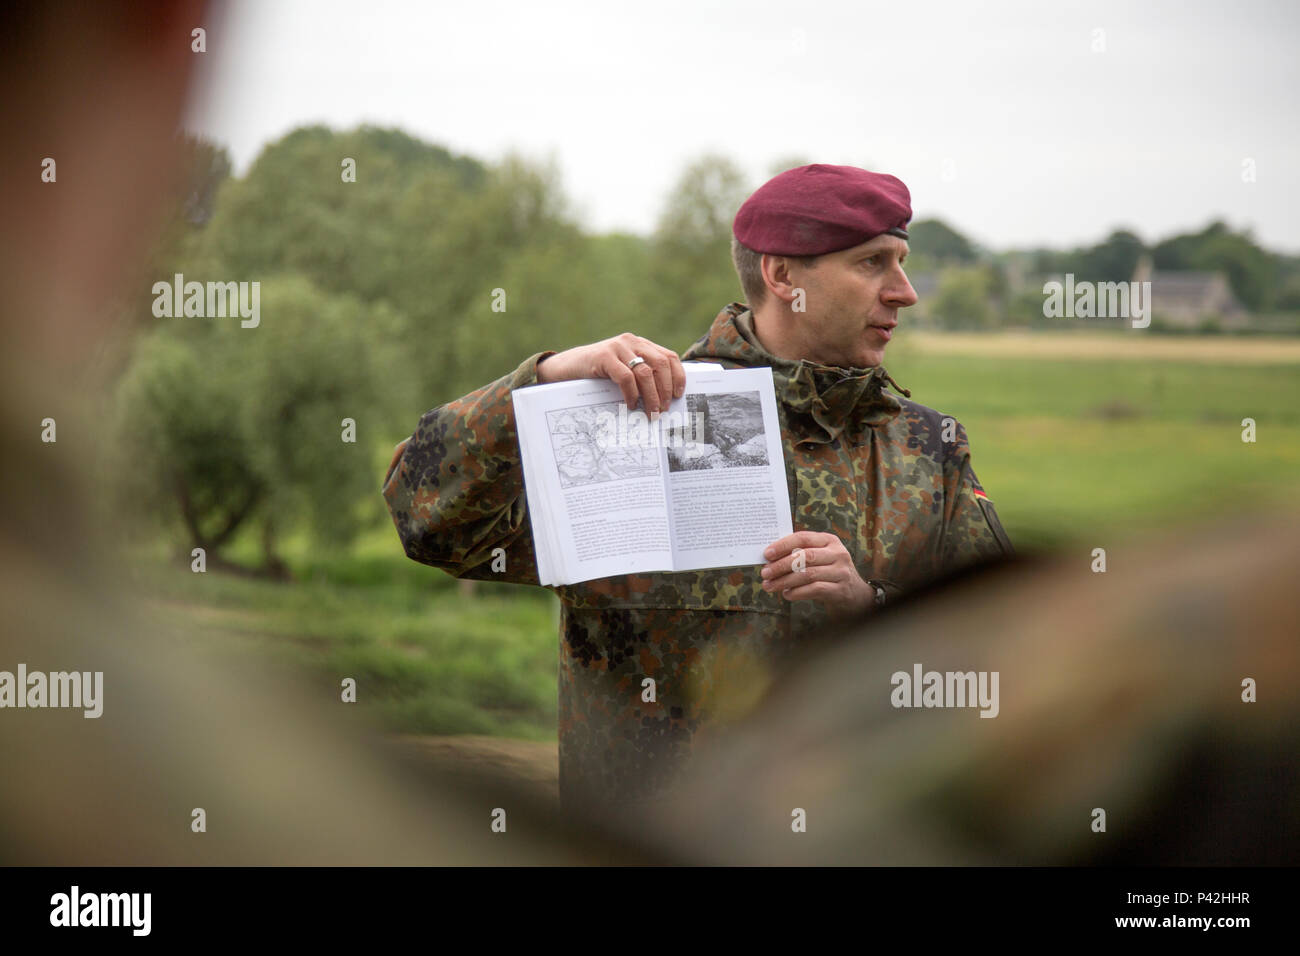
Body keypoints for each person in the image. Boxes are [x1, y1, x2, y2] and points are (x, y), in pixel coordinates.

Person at [382, 164, 1013, 813]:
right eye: (873, 263)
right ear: (783, 276)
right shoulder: (636, 419)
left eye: (902, 262)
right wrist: (544, 380)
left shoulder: (926, 450)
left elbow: (1016, 655)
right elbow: (428, 521)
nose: (904, 292)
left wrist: (872, 605)